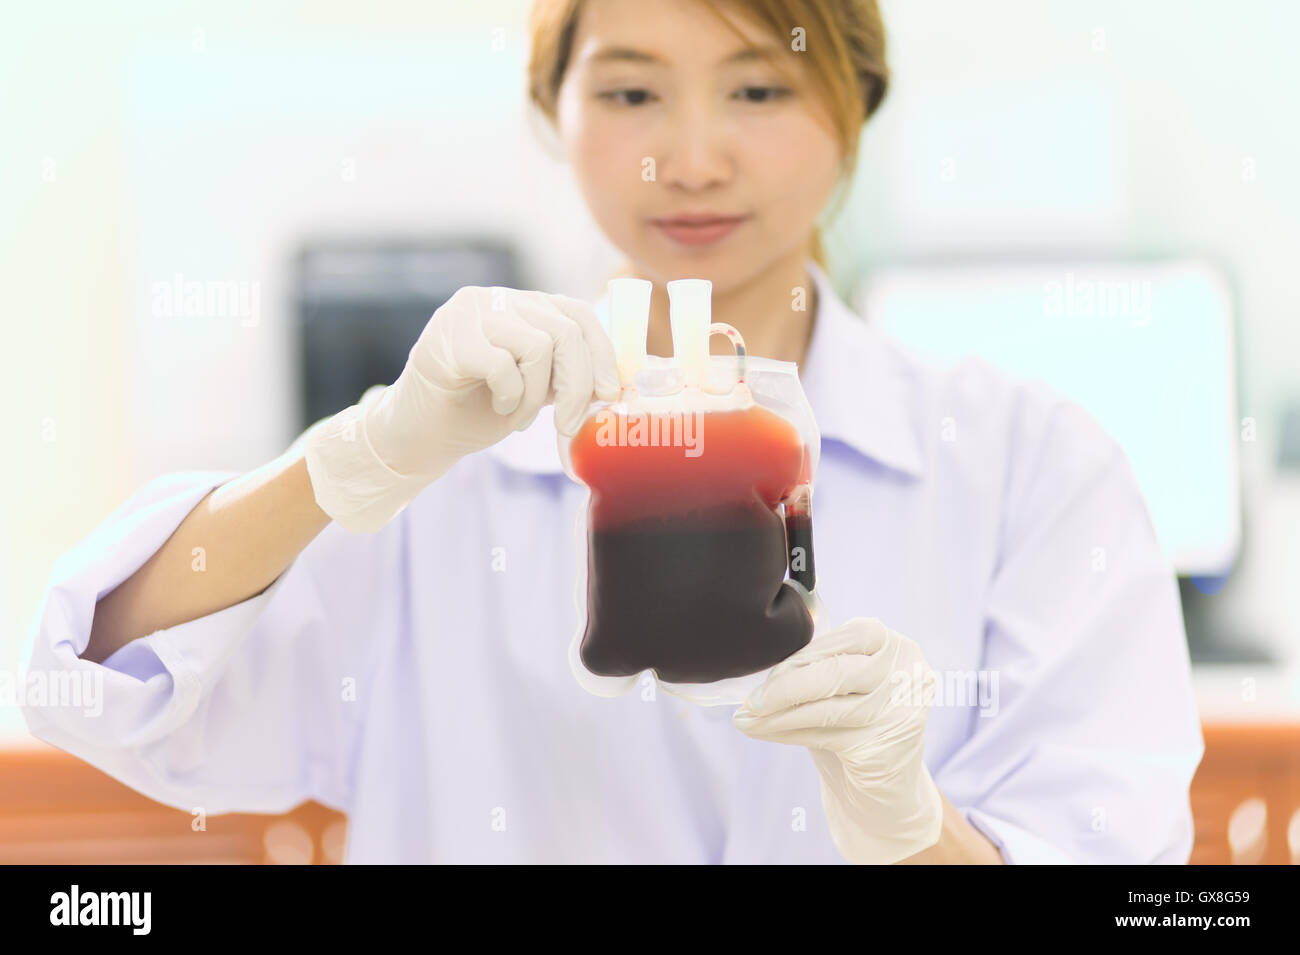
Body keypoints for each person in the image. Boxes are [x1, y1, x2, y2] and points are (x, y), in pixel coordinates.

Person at [21, 0, 1203, 864]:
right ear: (553, 110)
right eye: (631, 91)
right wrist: (352, 460)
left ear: (855, 107)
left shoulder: (1028, 470)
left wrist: (913, 829)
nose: (689, 157)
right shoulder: (449, 465)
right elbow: (94, 680)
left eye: (759, 86)